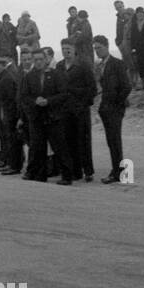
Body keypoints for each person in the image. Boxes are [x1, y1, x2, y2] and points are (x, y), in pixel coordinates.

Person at [20, 46, 72, 184]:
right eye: (35, 60)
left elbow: (64, 94)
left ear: (46, 60)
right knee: (37, 147)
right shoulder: (29, 77)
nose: (38, 62)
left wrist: (48, 101)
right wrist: (34, 101)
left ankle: (67, 176)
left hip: (53, 116)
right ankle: (39, 174)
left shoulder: (56, 74)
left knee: (59, 147)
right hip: (36, 117)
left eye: (40, 59)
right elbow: (24, 96)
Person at [56, 39, 96, 181]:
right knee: (69, 140)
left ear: (74, 49)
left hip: (80, 109)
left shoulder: (83, 65)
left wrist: (82, 103)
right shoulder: (59, 66)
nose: (66, 51)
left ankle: (88, 171)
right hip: (65, 110)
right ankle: (75, 170)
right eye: (63, 48)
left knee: (84, 140)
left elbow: (92, 88)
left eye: (68, 48)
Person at [93, 36, 131, 183]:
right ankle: (117, 169)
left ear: (106, 46)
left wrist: (117, 103)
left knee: (114, 140)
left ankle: (118, 171)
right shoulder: (101, 65)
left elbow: (126, 86)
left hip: (114, 107)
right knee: (111, 140)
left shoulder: (117, 64)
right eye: (95, 48)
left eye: (99, 48)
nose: (97, 51)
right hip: (105, 107)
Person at [0, 55, 23, 175]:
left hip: (8, 111)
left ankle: (13, 164)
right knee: (6, 137)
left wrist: (6, 112)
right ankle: (8, 161)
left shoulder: (6, 78)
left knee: (11, 138)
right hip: (1, 110)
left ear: (4, 66)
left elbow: (10, 98)